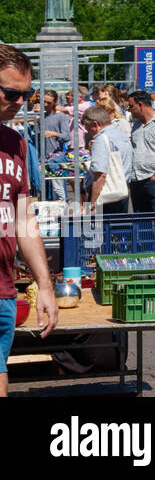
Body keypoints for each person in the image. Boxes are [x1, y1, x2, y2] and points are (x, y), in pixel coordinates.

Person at [0, 44, 58, 396]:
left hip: (3, 291)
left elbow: (24, 220)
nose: (20, 102)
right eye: (11, 93)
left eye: (28, 94)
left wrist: (45, 285)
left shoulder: (16, 143)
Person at [79, 105, 131, 214]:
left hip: (104, 196)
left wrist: (92, 204)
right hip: (121, 192)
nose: (88, 133)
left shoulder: (101, 139)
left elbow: (100, 175)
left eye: (88, 128)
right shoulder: (122, 135)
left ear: (95, 124)